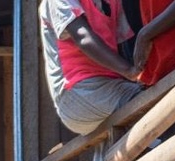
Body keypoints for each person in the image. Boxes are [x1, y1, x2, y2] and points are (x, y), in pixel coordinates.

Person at [40, 0, 143, 134]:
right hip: (77, 92)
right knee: (144, 99)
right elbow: (83, 37)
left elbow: (125, 44)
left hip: (108, 86)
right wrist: (130, 71)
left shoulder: (113, 3)